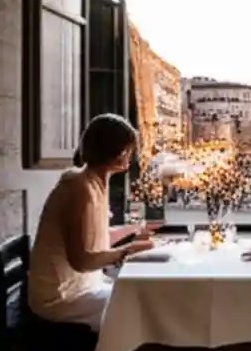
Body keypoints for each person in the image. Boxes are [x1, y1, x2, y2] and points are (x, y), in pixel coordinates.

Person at [29, 113, 156, 330]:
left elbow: (95, 236)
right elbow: (82, 261)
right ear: (118, 152)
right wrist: (126, 252)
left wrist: (134, 230)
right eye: (129, 149)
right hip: (61, 298)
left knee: (140, 296)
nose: (130, 155)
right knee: (139, 307)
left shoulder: (93, 182)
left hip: (82, 287)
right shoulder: (79, 188)